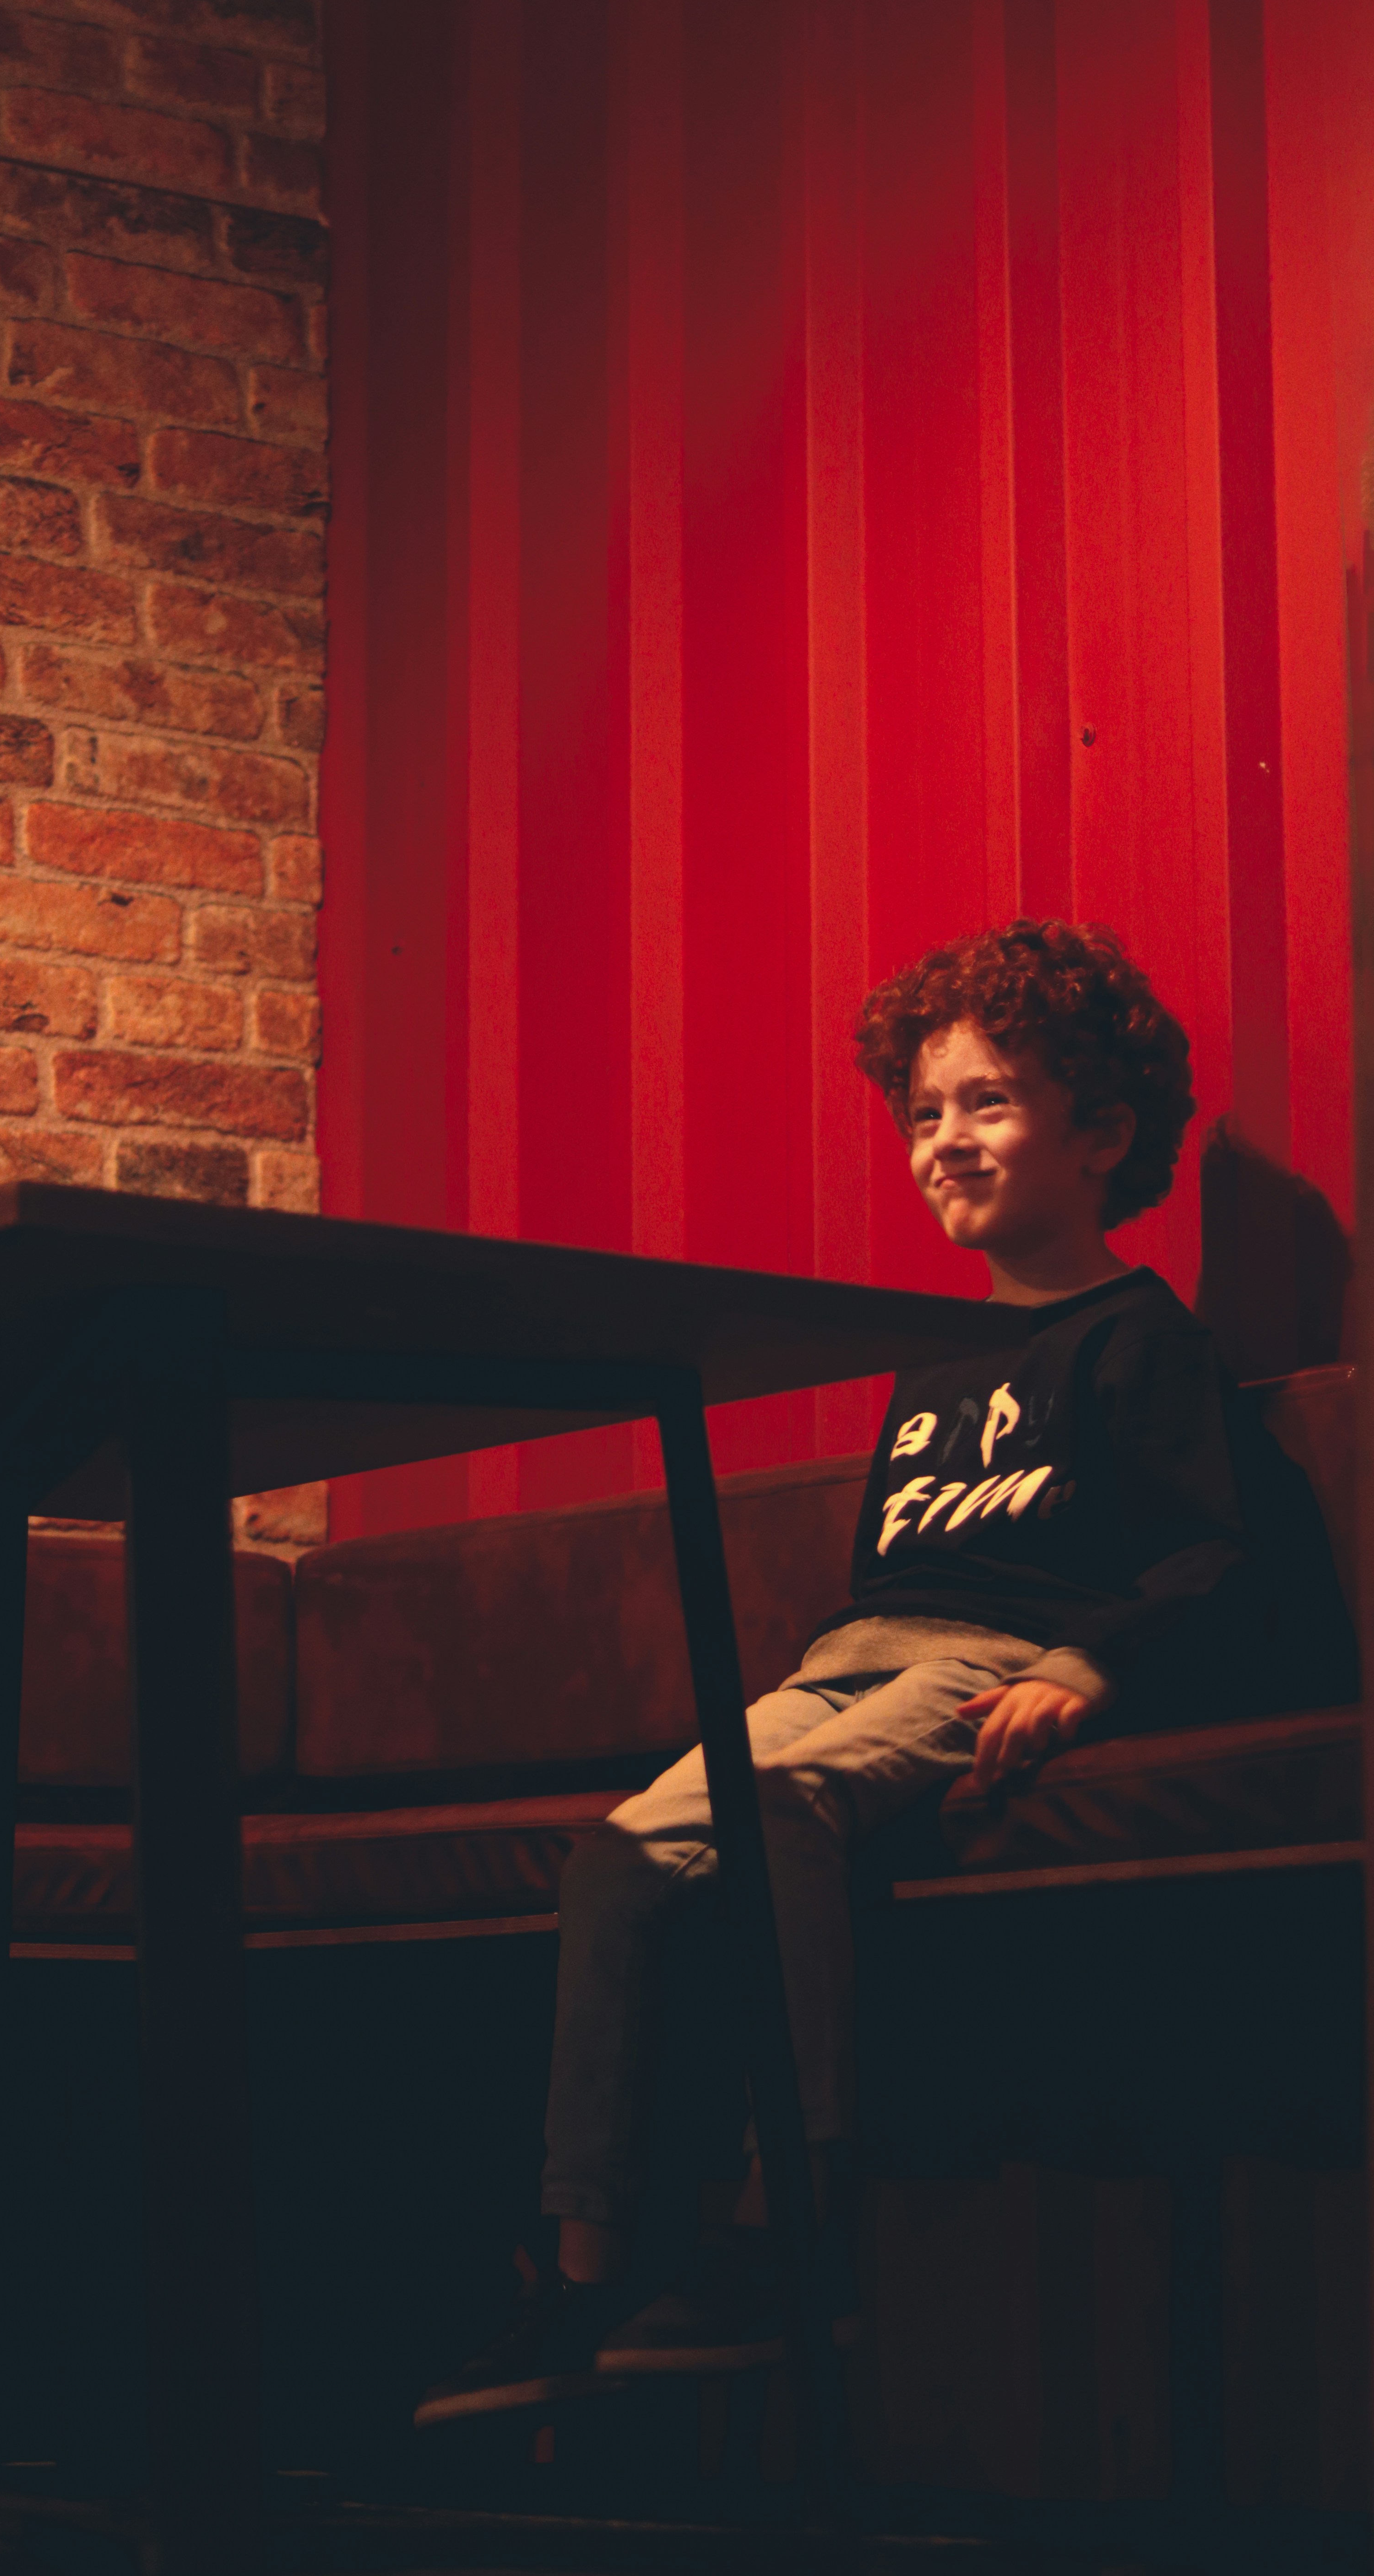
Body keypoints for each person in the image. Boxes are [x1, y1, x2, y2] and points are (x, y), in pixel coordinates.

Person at [413, 917, 1353, 2428]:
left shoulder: (1138, 1342)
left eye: (987, 1104)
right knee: (620, 1857)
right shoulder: (930, 1359)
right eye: (923, 1113)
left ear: (1102, 1133)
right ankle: (580, 2279)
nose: (944, 1142)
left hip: (990, 1657)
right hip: (849, 1656)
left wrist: (1084, 1670)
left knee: (784, 1810)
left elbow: (1221, 1557)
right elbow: (885, 1587)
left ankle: (788, 2241)